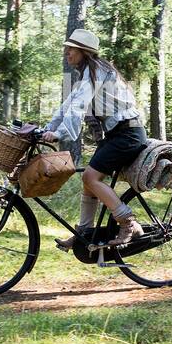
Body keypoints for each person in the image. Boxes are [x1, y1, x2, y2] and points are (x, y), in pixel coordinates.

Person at [41, 29, 146, 249]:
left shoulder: (95, 72)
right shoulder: (88, 74)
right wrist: (48, 128)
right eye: (67, 48)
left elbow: (79, 105)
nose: (67, 53)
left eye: (71, 49)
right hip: (117, 134)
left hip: (128, 133)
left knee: (90, 178)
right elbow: (68, 104)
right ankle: (85, 233)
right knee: (88, 182)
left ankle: (128, 223)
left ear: (83, 51)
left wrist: (59, 133)